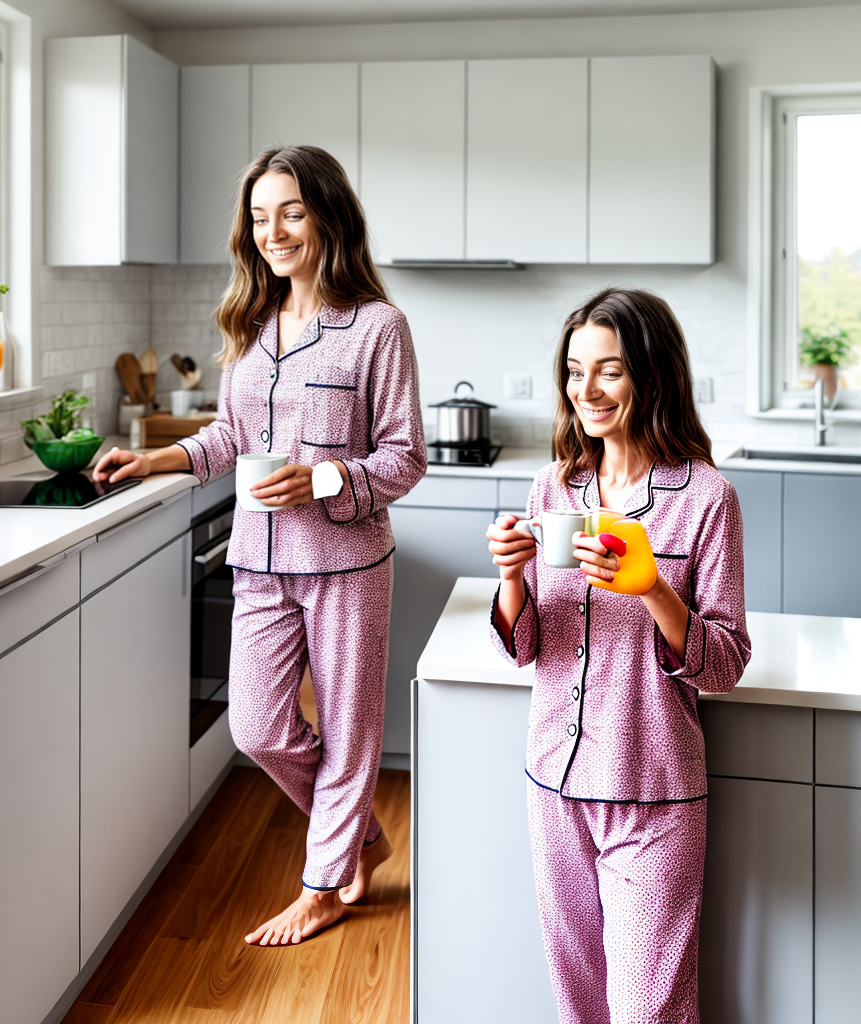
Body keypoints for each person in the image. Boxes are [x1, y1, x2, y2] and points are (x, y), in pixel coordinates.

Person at [94, 145, 426, 945]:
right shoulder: (251, 323)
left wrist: (322, 480)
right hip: (260, 561)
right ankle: (359, 841)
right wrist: (157, 459)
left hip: (346, 563)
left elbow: (404, 458)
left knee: (349, 732)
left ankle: (321, 887)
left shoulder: (378, 327)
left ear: (326, 217)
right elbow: (230, 438)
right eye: (258, 216)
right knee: (257, 728)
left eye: (290, 212)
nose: (273, 231)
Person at [485, 288, 750, 1024]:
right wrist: (511, 577)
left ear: (651, 376)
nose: (587, 391)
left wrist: (656, 592)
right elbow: (533, 642)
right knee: (580, 1007)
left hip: (652, 790)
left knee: (647, 1012)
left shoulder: (705, 499)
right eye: (575, 371)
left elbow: (725, 661)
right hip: (555, 786)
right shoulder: (556, 485)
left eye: (609, 371)